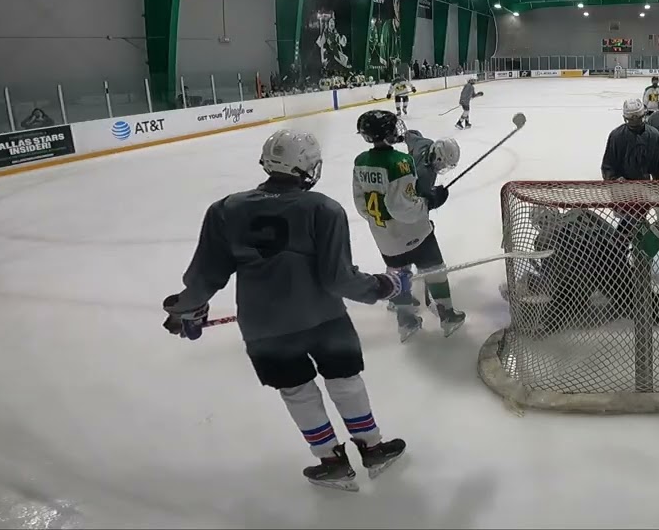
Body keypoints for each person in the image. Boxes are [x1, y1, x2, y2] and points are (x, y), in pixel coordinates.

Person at [161, 129, 406, 491]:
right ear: (306, 167)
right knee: (345, 380)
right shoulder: (323, 209)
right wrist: (383, 286)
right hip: (325, 318)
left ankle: (331, 462)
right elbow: (338, 278)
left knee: (297, 391)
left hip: (265, 327)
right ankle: (372, 448)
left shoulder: (225, 210)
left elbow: (205, 275)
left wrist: (186, 309)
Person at [352, 110, 466, 339]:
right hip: (415, 233)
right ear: (387, 133)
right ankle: (447, 316)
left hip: (384, 237)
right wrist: (430, 202)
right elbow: (402, 208)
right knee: (434, 269)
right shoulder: (402, 163)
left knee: (398, 273)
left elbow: (361, 204)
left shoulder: (360, 162)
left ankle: (406, 322)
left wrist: (382, 225)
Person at [602, 98, 659, 182]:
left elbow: (656, 167)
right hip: (621, 185)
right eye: (632, 121)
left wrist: (657, 183)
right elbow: (607, 167)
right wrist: (614, 179)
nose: (635, 122)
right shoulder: (616, 136)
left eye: (638, 119)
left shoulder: (653, 135)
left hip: (644, 184)